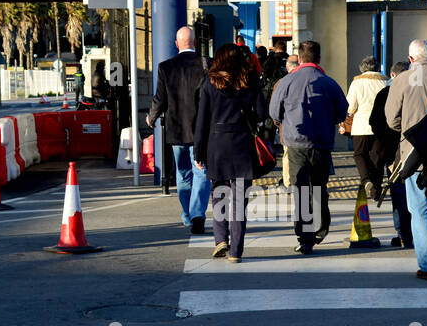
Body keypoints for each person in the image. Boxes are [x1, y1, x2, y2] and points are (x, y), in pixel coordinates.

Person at [269, 39, 348, 254]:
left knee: (301, 190)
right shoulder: (329, 83)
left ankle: (305, 237)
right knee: (319, 187)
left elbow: (274, 112)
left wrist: (284, 122)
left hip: (295, 143)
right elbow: (343, 112)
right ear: (319, 58)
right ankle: (321, 228)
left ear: (300, 58)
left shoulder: (287, 81)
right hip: (322, 143)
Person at [193, 44, 268, 263]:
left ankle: (220, 240)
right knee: (239, 201)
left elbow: (202, 121)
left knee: (219, 194)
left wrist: (198, 152)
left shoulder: (210, 82)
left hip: (217, 144)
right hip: (242, 144)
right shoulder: (251, 80)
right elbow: (262, 113)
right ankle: (236, 251)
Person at [386, 39, 427, 280]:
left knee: (420, 209)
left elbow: (391, 120)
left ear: (411, 58)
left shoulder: (402, 79)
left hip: (413, 154)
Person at [147, 26, 210, 234]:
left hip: (176, 129)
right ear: (195, 43)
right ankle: (197, 213)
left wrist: (152, 117)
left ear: (177, 44)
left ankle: (187, 214)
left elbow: (160, 98)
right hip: (200, 129)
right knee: (201, 172)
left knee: (183, 174)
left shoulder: (165, 67)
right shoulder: (205, 64)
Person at [372, 60, 414, 249]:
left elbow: (375, 121)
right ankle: (416, 231)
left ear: (393, 75)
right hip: (416, 148)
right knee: (417, 192)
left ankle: (403, 234)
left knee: (398, 192)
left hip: (392, 150)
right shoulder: (415, 91)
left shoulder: (384, 93)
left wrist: (386, 137)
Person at [345, 57, 388, 202]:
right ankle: (376, 190)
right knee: (377, 157)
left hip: (361, 125)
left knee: (359, 154)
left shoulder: (357, 82)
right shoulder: (386, 82)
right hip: (381, 126)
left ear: (362, 68)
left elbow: (350, 106)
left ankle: (365, 180)